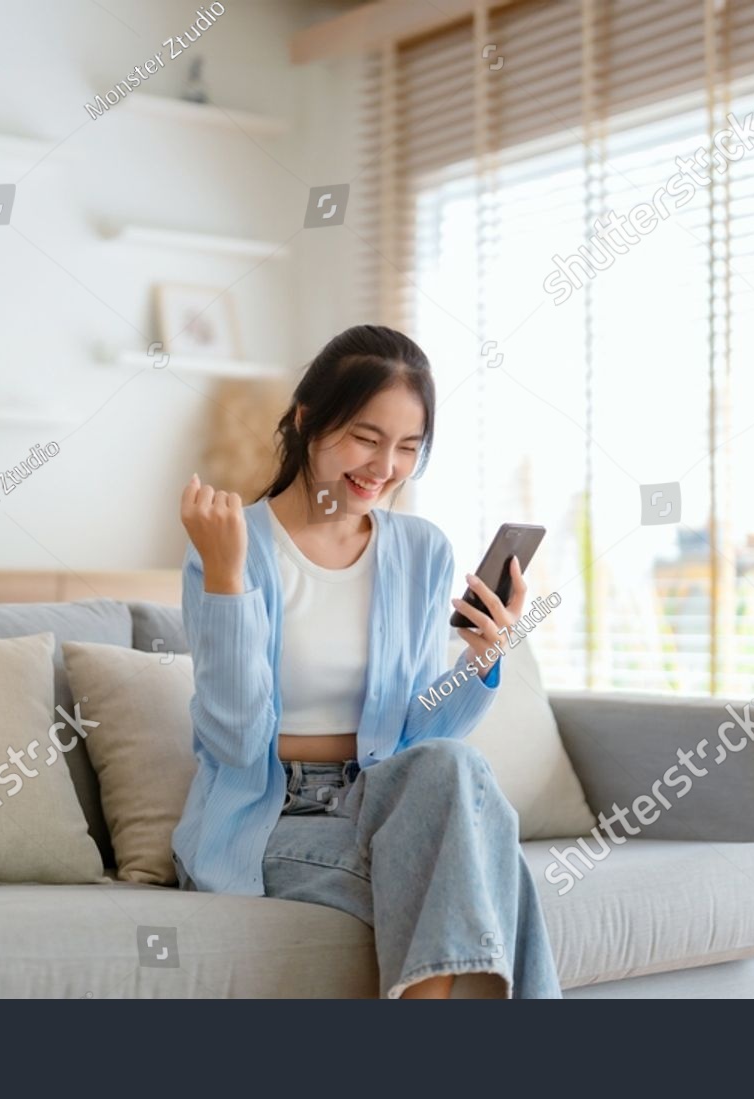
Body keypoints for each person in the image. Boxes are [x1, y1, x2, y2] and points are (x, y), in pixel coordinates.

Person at [170, 324, 562, 999]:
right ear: (306, 420)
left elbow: (421, 738)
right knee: (482, 871)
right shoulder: (235, 547)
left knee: (455, 771)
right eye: (366, 437)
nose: (385, 466)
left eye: (409, 446)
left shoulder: (420, 549)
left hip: (382, 800)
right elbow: (234, 744)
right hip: (269, 815)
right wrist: (229, 580)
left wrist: (482, 658)